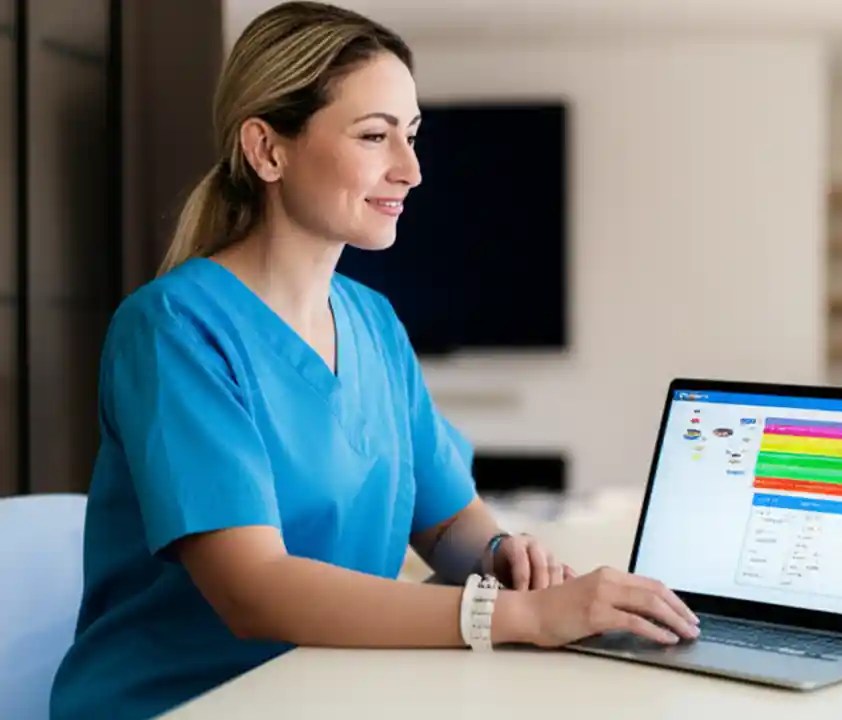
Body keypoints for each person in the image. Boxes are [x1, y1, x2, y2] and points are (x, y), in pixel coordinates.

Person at [49, 3, 698, 718]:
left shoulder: (373, 323)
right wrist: (517, 618)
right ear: (267, 150)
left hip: (328, 691)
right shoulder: (174, 328)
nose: (412, 170)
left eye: (412, 136)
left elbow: (447, 522)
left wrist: (502, 557)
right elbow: (253, 591)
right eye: (374, 136)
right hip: (185, 704)